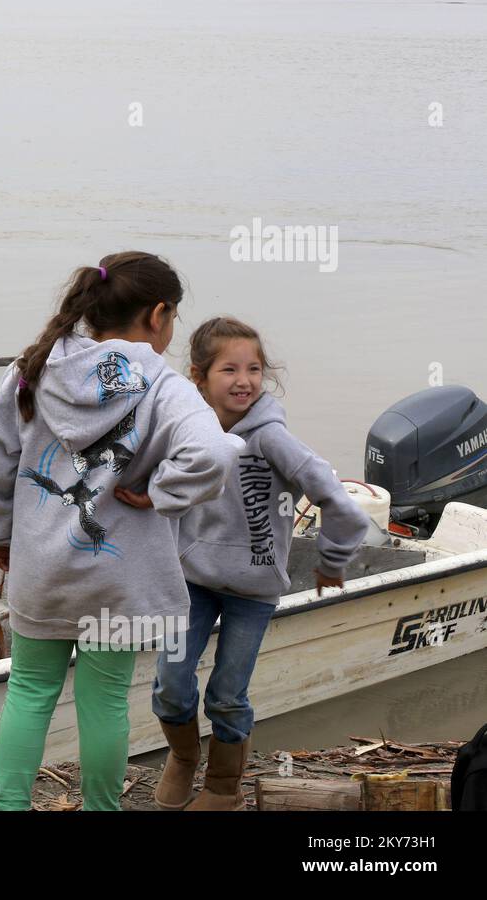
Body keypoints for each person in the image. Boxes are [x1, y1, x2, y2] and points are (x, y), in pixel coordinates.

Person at [0, 251, 240, 811]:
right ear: (159, 314)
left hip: (42, 568)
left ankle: (7, 806)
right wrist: (162, 493)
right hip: (120, 578)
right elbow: (213, 452)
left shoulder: (34, 365)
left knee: (29, 690)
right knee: (106, 702)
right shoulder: (163, 383)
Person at [145, 317, 369, 810]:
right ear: (199, 377)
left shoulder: (272, 439)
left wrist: (332, 560)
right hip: (192, 580)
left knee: (227, 695)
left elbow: (338, 500)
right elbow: (152, 477)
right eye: (229, 369)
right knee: (170, 687)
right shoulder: (187, 429)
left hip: (254, 590)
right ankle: (183, 759)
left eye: (253, 369)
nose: (244, 380)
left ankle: (223, 786)